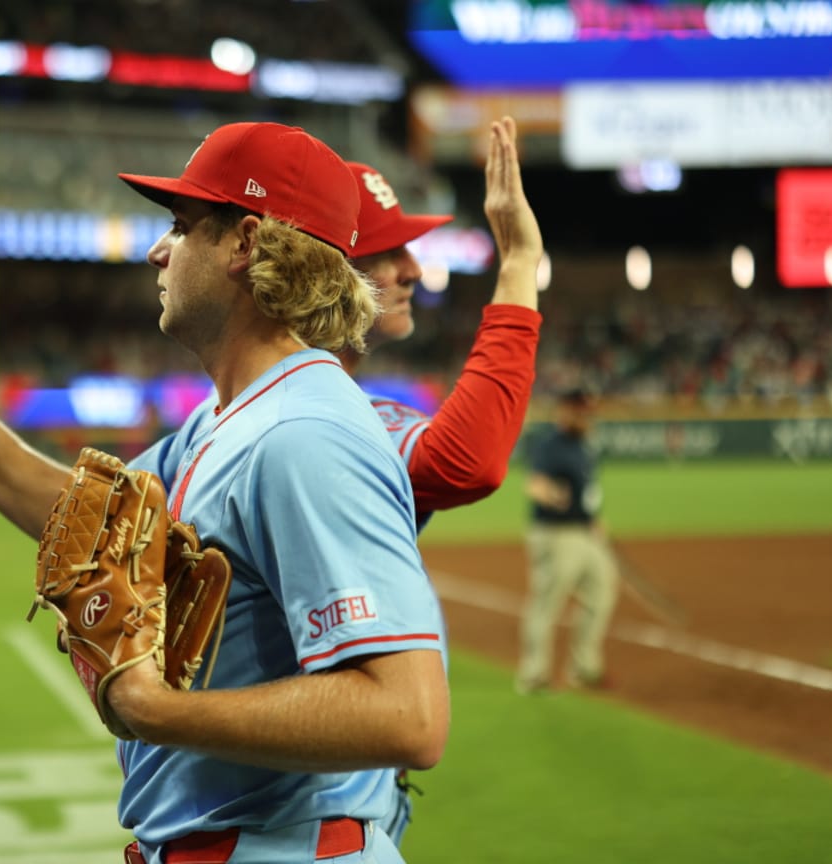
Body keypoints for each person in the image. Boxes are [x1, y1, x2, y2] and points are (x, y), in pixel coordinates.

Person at [0, 122, 449, 863]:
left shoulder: (306, 434)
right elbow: (85, 518)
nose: (157, 251)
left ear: (246, 244)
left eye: (181, 226)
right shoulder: (229, 416)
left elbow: (407, 716)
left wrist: (153, 708)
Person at [338, 119, 543, 844]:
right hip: (308, 822)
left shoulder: (228, 417)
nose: (413, 270)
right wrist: (519, 264)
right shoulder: (325, 421)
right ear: (319, 270)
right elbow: (469, 459)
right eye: (383, 252)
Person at [515, 387, 619, 694]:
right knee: (547, 602)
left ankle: (583, 668)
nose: (588, 418)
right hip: (556, 533)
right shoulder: (551, 445)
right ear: (566, 411)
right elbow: (535, 485)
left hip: (584, 533)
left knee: (601, 593)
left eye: (590, 413)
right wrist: (553, 496)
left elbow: (586, 492)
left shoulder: (584, 446)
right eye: (582, 412)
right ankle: (534, 674)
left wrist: (593, 519)